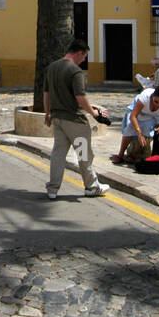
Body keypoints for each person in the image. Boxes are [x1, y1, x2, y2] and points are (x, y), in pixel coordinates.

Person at [43, 39, 111, 200]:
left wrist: (47, 113)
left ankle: (52, 189)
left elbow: (46, 94)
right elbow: (80, 97)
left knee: (58, 154)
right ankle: (91, 187)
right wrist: (94, 113)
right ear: (79, 53)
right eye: (85, 56)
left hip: (57, 118)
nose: (84, 60)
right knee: (84, 154)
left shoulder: (52, 68)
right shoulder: (75, 71)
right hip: (75, 121)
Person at [111, 85, 159, 166]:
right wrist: (139, 133)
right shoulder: (145, 97)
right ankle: (120, 154)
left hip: (154, 117)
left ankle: (133, 155)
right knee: (129, 129)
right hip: (139, 113)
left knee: (147, 129)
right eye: (156, 102)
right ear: (152, 97)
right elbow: (133, 116)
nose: (158, 105)